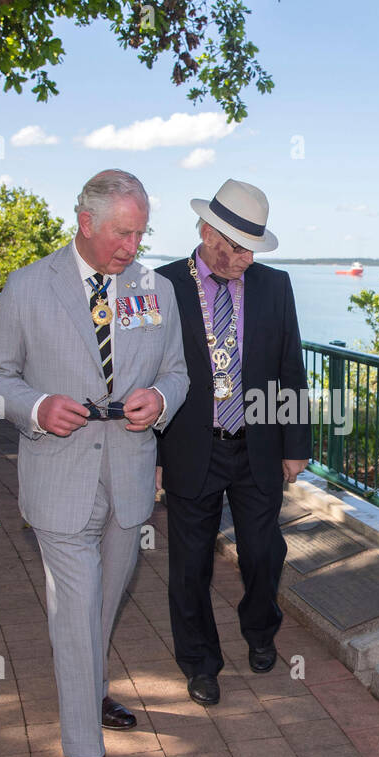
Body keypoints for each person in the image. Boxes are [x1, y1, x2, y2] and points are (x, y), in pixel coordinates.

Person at [0, 169, 187, 757]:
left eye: (141, 232)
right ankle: (85, 751)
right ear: (86, 222)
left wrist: (161, 398)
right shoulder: (27, 286)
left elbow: (178, 371)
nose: (133, 246)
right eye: (124, 232)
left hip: (129, 476)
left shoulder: (155, 289)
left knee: (102, 604)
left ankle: (89, 685)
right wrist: (36, 407)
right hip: (59, 477)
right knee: (75, 609)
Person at [156, 179, 309, 706]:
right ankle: (200, 661)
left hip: (258, 445)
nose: (244, 260)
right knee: (189, 565)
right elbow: (145, 375)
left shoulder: (275, 287)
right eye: (235, 247)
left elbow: (290, 366)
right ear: (206, 231)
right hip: (189, 446)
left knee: (264, 553)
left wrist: (296, 444)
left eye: (251, 250)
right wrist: (151, 455)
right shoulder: (160, 286)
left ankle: (260, 629)